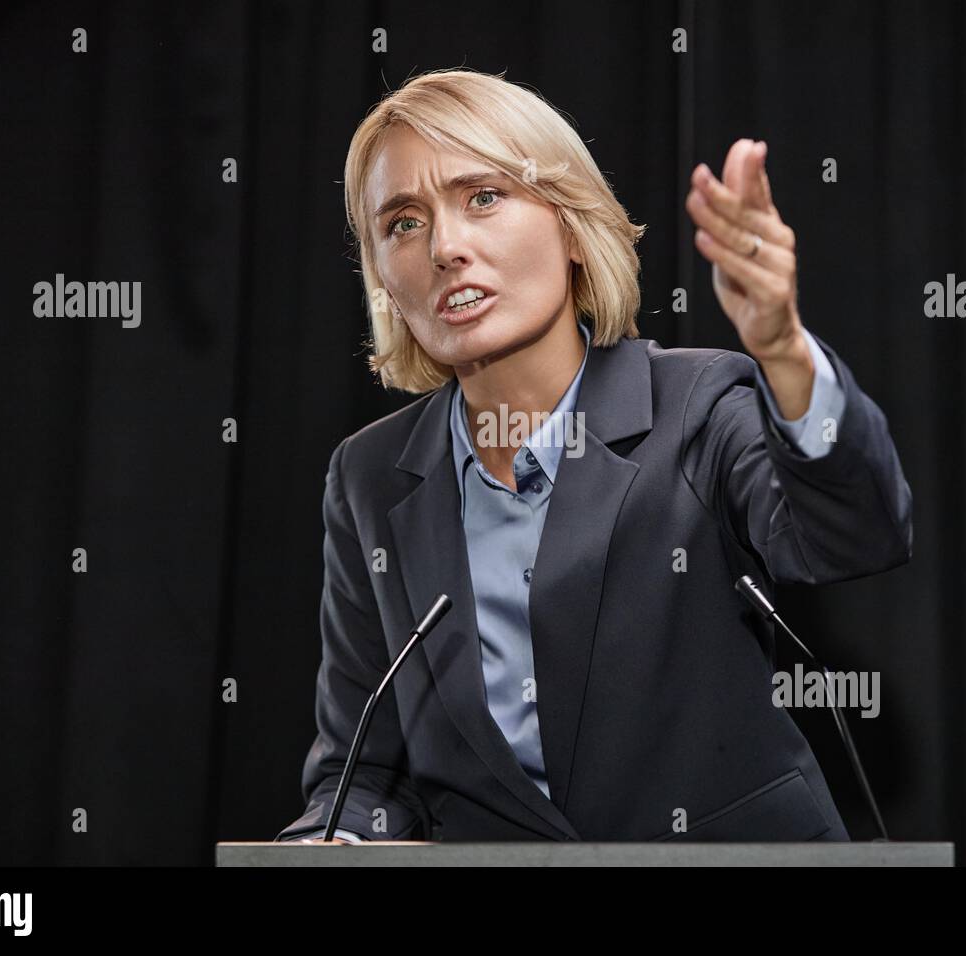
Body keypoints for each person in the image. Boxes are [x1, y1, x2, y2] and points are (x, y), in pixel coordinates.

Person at [275, 68, 912, 844]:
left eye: (483, 197)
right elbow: (365, 773)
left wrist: (783, 353)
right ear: (383, 276)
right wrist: (328, 844)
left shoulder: (699, 406)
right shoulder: (368, 478)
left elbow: (855, 535)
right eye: (403, 222)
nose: (445, 247)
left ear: (573, 228)